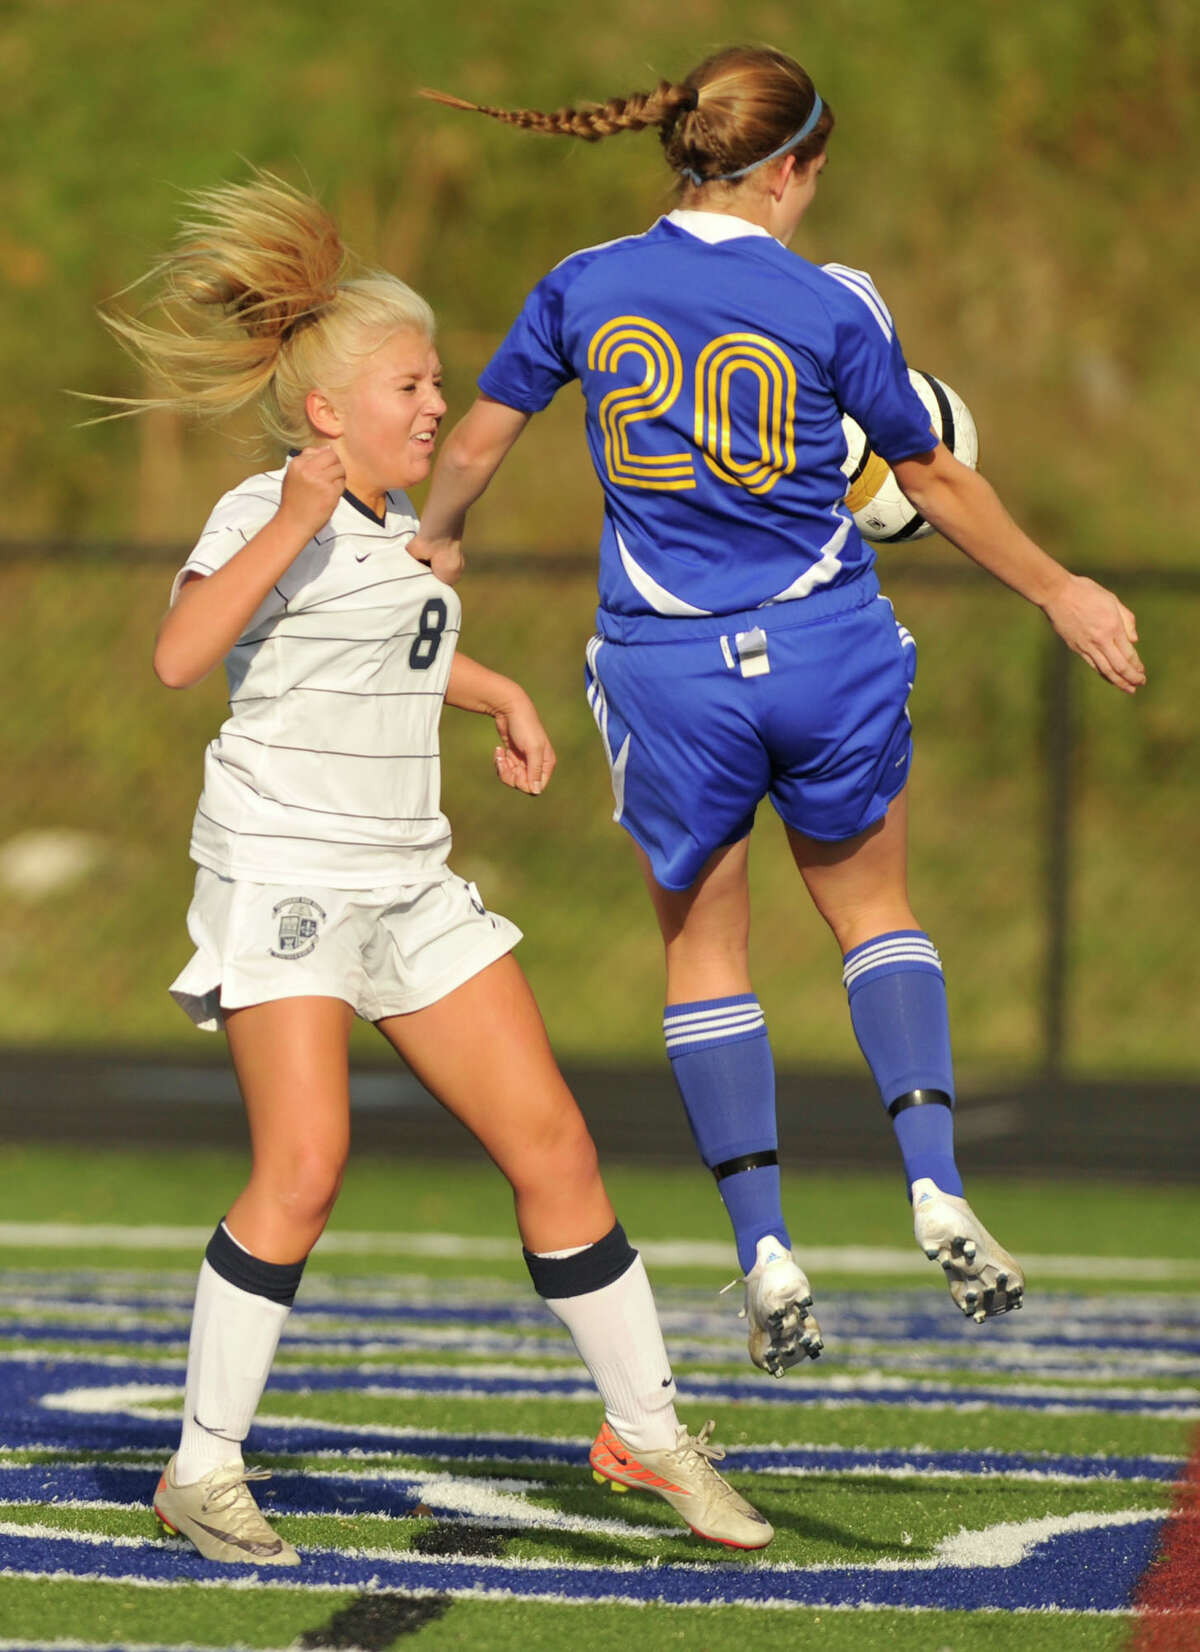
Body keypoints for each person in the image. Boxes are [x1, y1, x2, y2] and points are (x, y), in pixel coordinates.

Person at [411, 47, 1146, 1378]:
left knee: (704, 953)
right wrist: (1061, 589)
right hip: (823, 645)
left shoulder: (584, 282)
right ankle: (933, 1181)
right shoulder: (831, 300)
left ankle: (764, 1248)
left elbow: (473, 442)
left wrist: (441, 540)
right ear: (791, 168)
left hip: (668, 666)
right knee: (874, 911)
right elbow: (931, 475)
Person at [97, 172, 774, 1561]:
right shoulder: (261, 508)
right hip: (284, 872)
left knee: (557, 1148)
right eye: (412, 383)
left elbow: (370, 645)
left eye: (438, 380)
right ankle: (201, 1470)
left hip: (408, 878)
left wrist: (498, 690)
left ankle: (644, 1435)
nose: (433, 405)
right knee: (304, 1167)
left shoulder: (405, 537)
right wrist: (288, 516)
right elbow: (181, 656)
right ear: (332, 409)